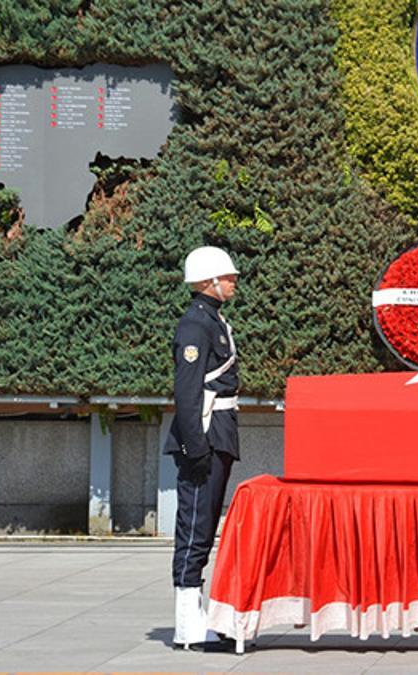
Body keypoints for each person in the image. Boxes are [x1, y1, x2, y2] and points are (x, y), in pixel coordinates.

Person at [164, 245, 242, 650]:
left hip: (218, 431)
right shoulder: (196, 325)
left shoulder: (212, 320)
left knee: (205, 527)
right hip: (205, 436)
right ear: (209, 281)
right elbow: (188, 390)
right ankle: (187, 626)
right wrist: (196, 446)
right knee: (194, 530)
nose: (233, 282)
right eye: (227, 277)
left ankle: (197, 620)